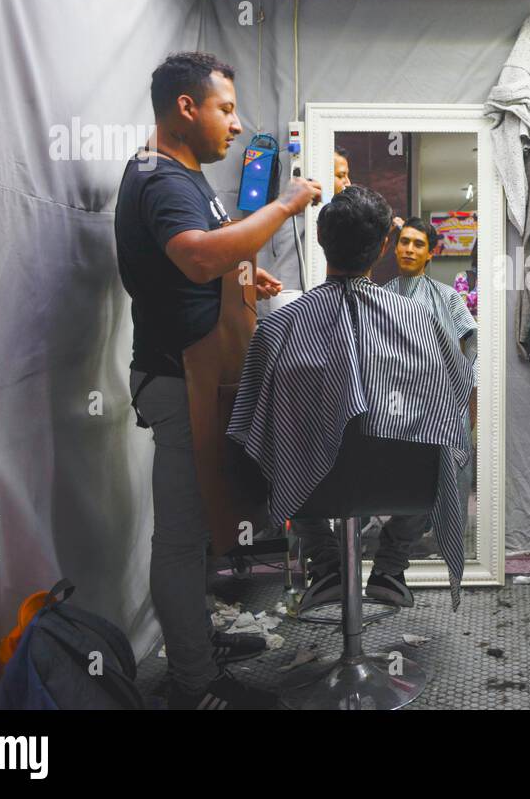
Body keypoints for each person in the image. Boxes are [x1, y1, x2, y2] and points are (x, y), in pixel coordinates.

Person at [116, 51, 321, 710]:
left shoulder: (183, 174)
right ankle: (193, 684)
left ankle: (195, 639)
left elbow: (208, 257)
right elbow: (199, 256)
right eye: (225, 109)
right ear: (186, 107)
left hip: (192, 373)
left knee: (204, 522)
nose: (235, 125)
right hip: (179, 378)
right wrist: (287, 205)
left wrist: (243, 277)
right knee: (179, 538)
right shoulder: (164, 181)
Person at [228, 186, 474, 612]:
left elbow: (248, 428)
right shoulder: (422, 321)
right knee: (448, 451)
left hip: (311, 490)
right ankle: (389, 566)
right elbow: (454, 406)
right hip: (404, 486)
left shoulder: (277, 327)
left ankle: (326, 565)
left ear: (320, 239)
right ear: (384, 247)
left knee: (274, 445)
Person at [302, 217, 477, 608]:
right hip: (380, 411)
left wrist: (459, 408)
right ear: (389, 248)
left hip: (425, 411)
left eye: (419, 244)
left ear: (431, 253)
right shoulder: (378, 297)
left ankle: (386, 565)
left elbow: (466, 358)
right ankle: (365, 565)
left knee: (435, 464)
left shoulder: (447, 299)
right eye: (403, 242)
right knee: (417, 469)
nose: (410, 250)